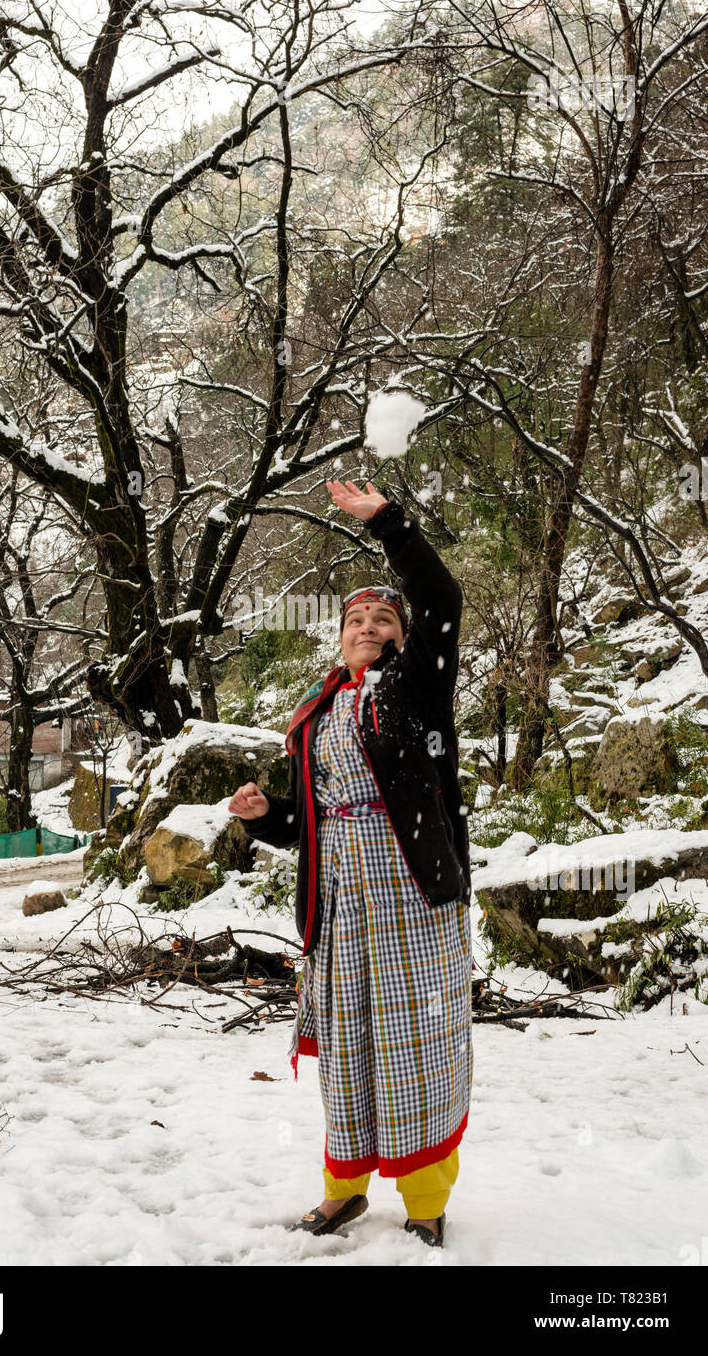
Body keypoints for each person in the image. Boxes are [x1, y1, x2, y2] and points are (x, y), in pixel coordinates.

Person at [228, 478, 472, 1247]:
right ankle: (344, 1190)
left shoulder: (416, 688)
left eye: (382, 618)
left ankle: (426, 1199)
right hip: (338, 904)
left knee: (418, 1045)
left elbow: (439, 593)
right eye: (355, 620)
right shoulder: (316, 709)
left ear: (402, 635)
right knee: (348, 1044)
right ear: (337, 638)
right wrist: (268, 817)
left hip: (411, 899)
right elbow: (310, 820)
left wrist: (388, 523)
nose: (368, 626)